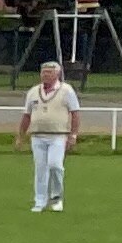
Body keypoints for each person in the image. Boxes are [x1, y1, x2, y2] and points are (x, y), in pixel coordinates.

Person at [17, 57, 83, 213]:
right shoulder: (33, 92)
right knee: (40, 168)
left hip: (58, 135)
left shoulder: (67, 90)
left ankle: (56, 198)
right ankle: (39, 201)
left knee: (55, 165)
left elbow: (75, 113)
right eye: (43, 72)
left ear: (57, 75)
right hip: (38, 135)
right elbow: (27, 115)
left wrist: (73, 135)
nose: (45, 75)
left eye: (49, 73)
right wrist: (21, 135)